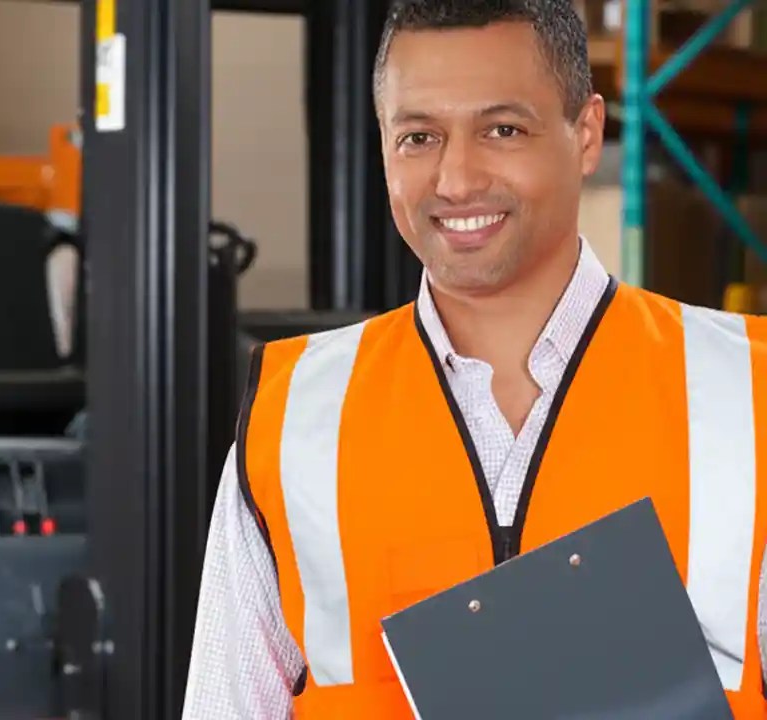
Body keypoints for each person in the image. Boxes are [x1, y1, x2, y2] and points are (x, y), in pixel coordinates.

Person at [181, 0, 767, 717]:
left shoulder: (746, 393)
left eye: (501, 129)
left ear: (586, 133)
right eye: (419, 136)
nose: (455, 179)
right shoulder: (293, 416)